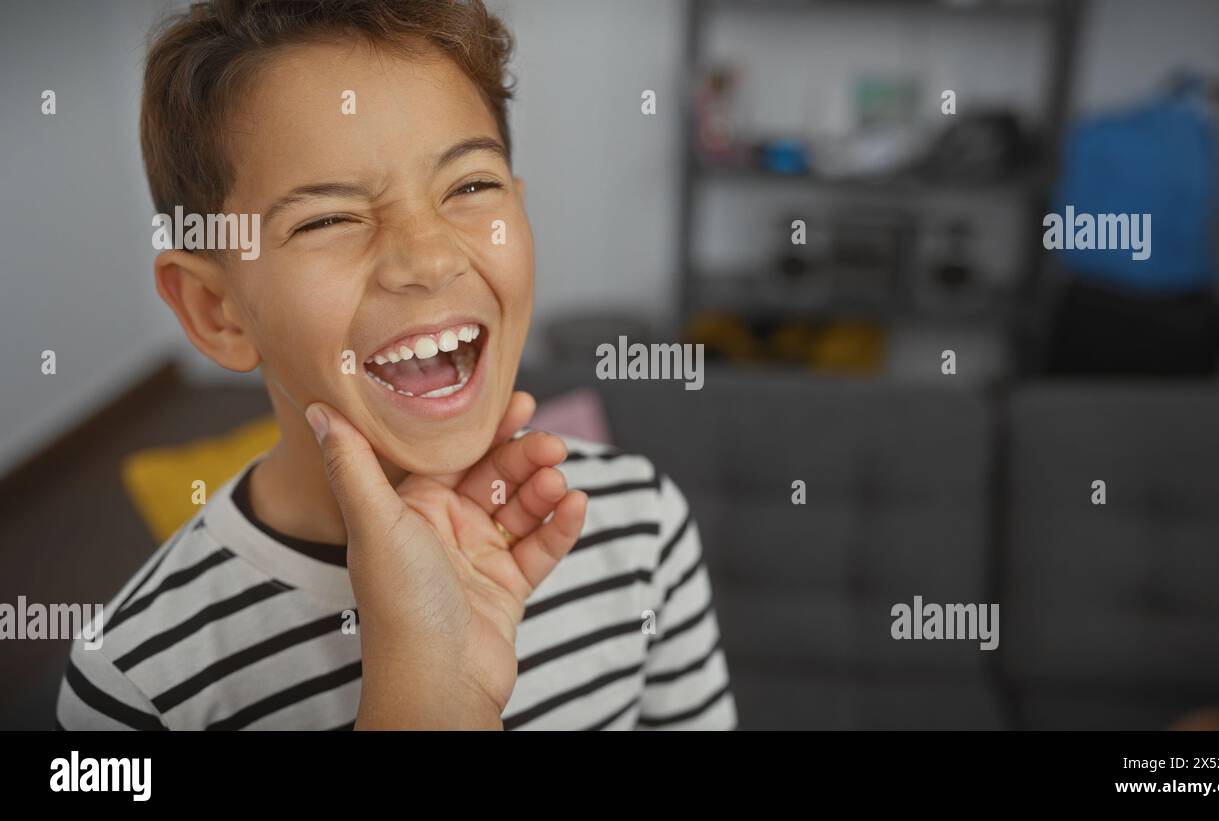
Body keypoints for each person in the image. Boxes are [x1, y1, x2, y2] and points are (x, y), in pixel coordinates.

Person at [55, 0, 736, 730]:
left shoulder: (641, 523)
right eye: (326, 219)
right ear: (216, 311)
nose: (429, 256)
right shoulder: (135, 682)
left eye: (471, 187)